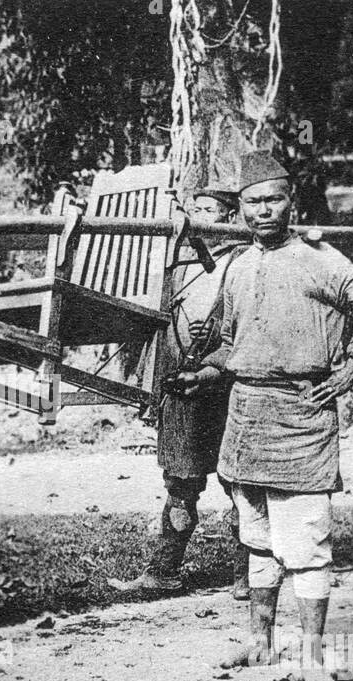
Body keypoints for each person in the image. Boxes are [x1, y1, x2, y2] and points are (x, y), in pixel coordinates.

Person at [176, 151, 353, 681]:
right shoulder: (235, 265)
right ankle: (260, 640)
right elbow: (231, 342)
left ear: (290, 200)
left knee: (305, 545)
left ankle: (313, 658)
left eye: (272, 199)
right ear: (241, 209)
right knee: (256, 540)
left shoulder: (320, 261)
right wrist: (205, 375)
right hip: (246, 416)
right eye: (252, 202)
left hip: (300, 415)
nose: (262, 211)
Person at [112, 185, 249, 598]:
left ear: (227, 218)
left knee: (239, 484)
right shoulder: (177, 258)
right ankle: (163, 572)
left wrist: (214, 362)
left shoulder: (243, 260)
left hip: (227, 388)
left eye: (208, 211)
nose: (199, 217)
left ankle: (249, 574)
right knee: (180, 486)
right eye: (195, 209)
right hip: (182, 388)